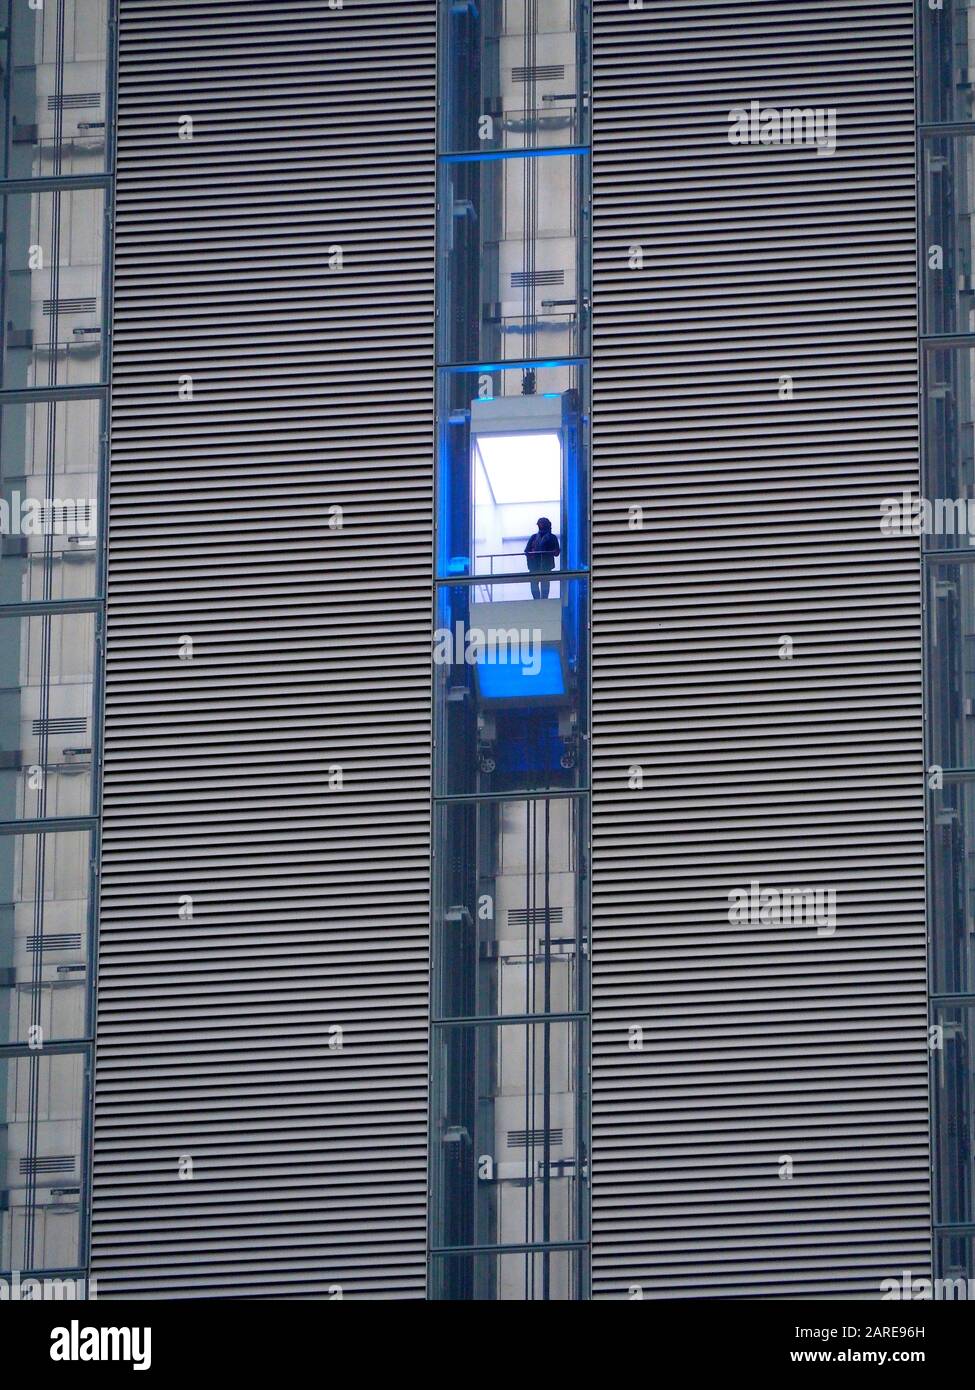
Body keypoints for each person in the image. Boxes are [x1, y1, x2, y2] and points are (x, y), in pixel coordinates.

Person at [524, 516, 560, 599]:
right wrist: (531, 554)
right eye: (539, 525)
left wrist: (552, 551)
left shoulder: (552, 537)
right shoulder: (533, 537)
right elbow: (526, 551)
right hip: (534, 567)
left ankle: (544, 601)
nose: (540, 526)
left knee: (545, 588)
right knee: (534, 587)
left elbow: (557, 552)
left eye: (542, 524)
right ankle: (537, 602)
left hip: (546, 567)